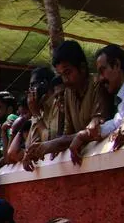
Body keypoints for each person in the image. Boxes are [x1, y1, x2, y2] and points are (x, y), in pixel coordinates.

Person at [24, 40, 112, 168]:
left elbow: (96, 129)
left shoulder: (98, 85)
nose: (65, 80)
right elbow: (67, 134)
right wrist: (43, 148)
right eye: (61, 75)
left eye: (68, 73)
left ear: (82, 67)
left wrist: (50, 145)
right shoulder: (68, 93)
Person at [67, 44, 124, 164]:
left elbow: (121, 122)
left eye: (102, 70)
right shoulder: (117, 95)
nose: (101, 79)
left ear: (116, 65)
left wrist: (84, 135)